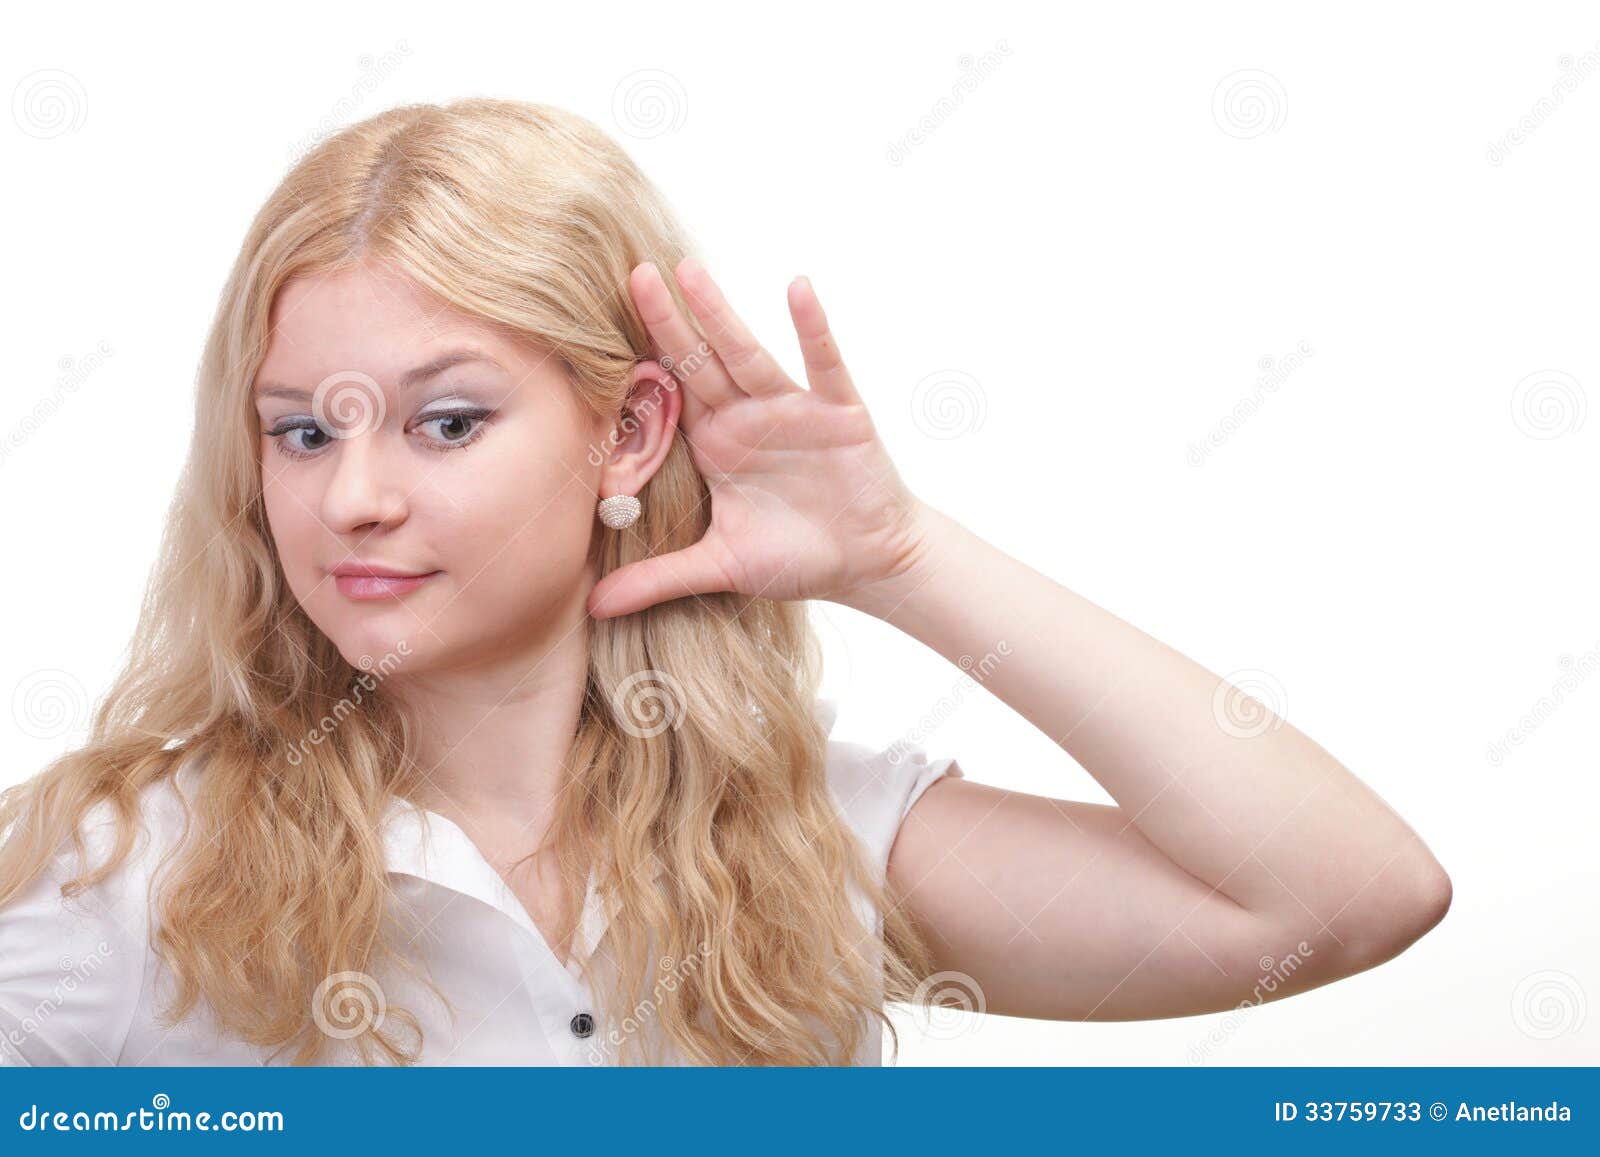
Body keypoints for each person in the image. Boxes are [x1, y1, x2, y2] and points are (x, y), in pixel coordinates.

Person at [0, 98, 1450, 1067]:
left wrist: (900, 556)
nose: (353, 497)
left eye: (446, 422)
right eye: (304, 432)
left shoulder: (812, 839)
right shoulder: (124, 875)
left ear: (629, 432)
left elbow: (1346, 899)